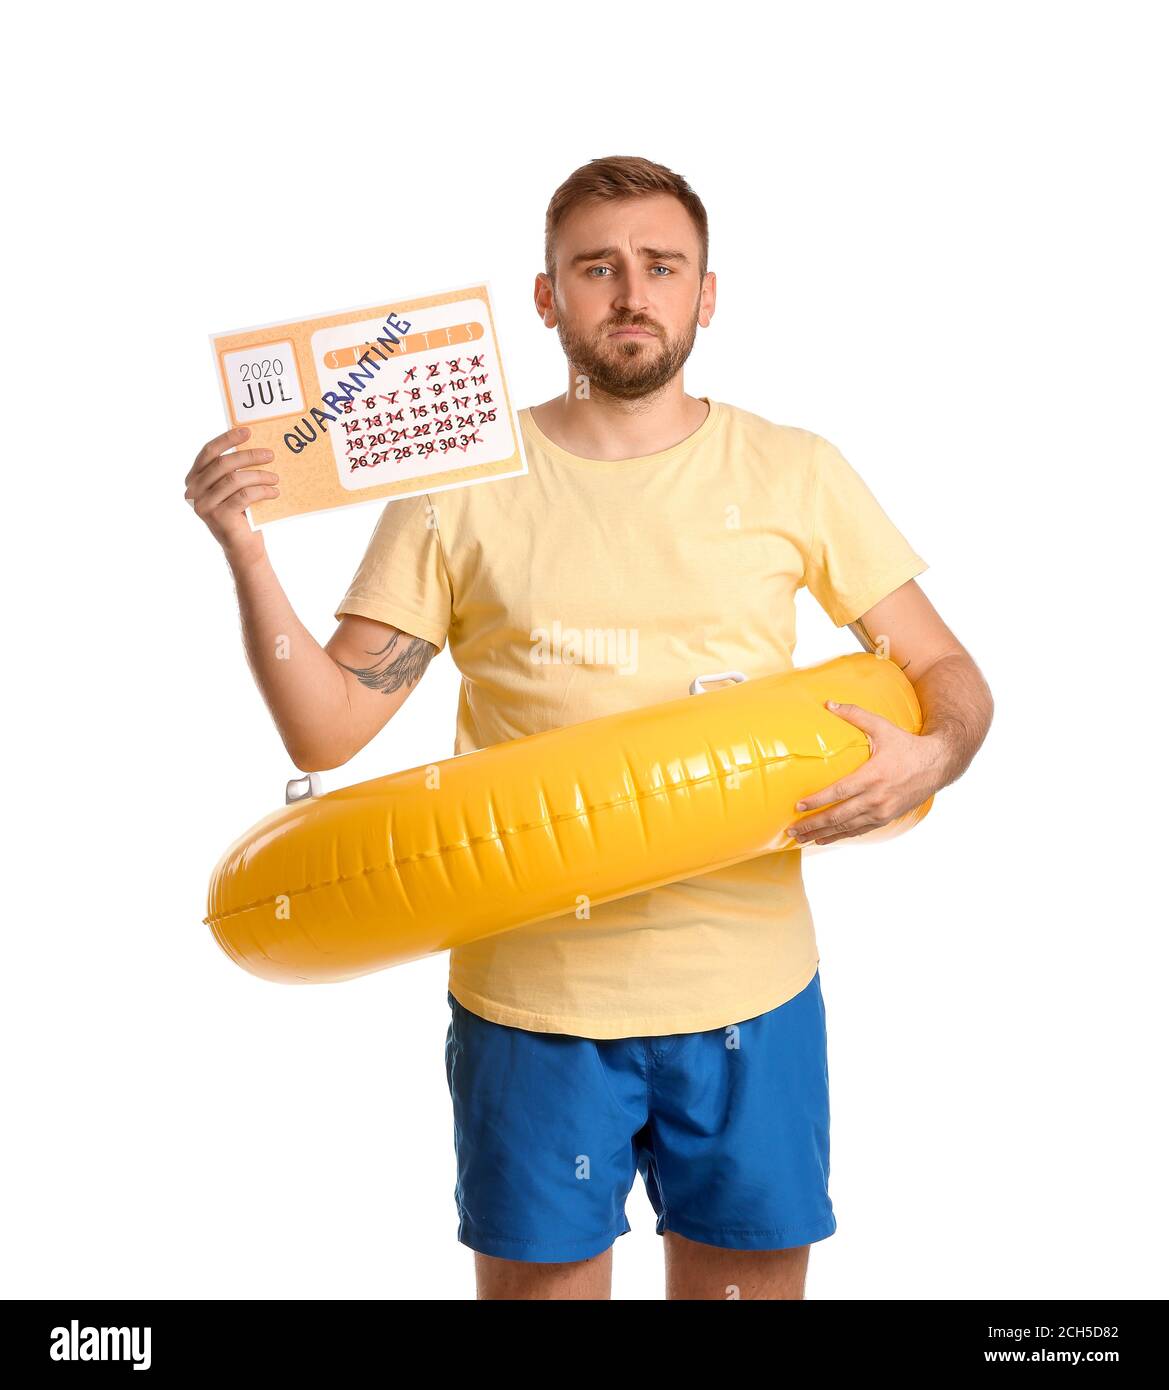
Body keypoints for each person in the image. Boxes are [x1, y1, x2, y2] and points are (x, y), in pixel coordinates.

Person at [186, 155, 993, 1300]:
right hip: (533, 1000)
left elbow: (948, 672)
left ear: (705, 294)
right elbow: (325, 733)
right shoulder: (455, 487)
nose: (630, 293)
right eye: (596, 268)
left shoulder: (792, 469)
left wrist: (933, 754)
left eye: (661, 267)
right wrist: (247, 552)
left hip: (747, 994)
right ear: (544, 296)